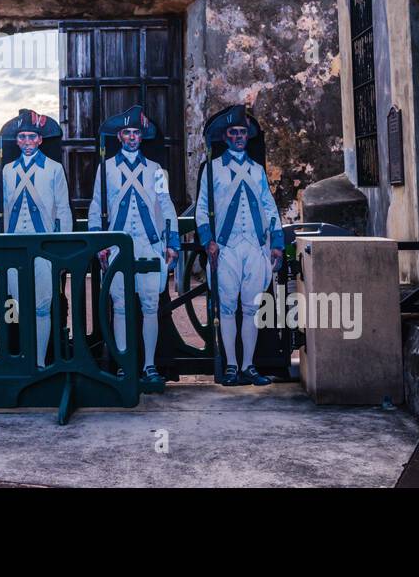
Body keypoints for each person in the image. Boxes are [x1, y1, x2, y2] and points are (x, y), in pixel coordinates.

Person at [87, 105, 179, 391]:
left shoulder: (156, 170)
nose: (131, 137)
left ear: (142, 136)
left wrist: (172, 241)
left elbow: (166, 206)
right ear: (119, 136)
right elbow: (96, 207)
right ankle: (126, 365)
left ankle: (149, 365)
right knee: (122, 307)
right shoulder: (106, 168)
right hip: (118, 246)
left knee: (150, 306)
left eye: (135, 132)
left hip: (149, 245)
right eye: (126, 132)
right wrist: (99, 242)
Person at [195, 105, 284, 387]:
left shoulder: (257, 170)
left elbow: (269, 208)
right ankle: (231, 366)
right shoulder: (211, 169)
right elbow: (201, 209)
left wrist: (277, 243)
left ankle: (249, 366)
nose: (238, 137)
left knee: (252, 308)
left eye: (242, 132)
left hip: (255, 246)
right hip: (226, 248)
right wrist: (208, 240)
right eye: (233, 132)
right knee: (227, 308)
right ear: (225, 137)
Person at [0, 109, 73, 367]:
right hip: (14, 247)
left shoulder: (54, 169)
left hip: (45, 247)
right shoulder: (7, 171)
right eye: (22, 137)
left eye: (31, 137)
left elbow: (63, 209)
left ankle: (39, 361)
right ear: (17, 141)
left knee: (42, 305)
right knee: (16, 306)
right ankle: (22, 357)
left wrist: (64, 247)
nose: (26, 141)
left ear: (40, 140)